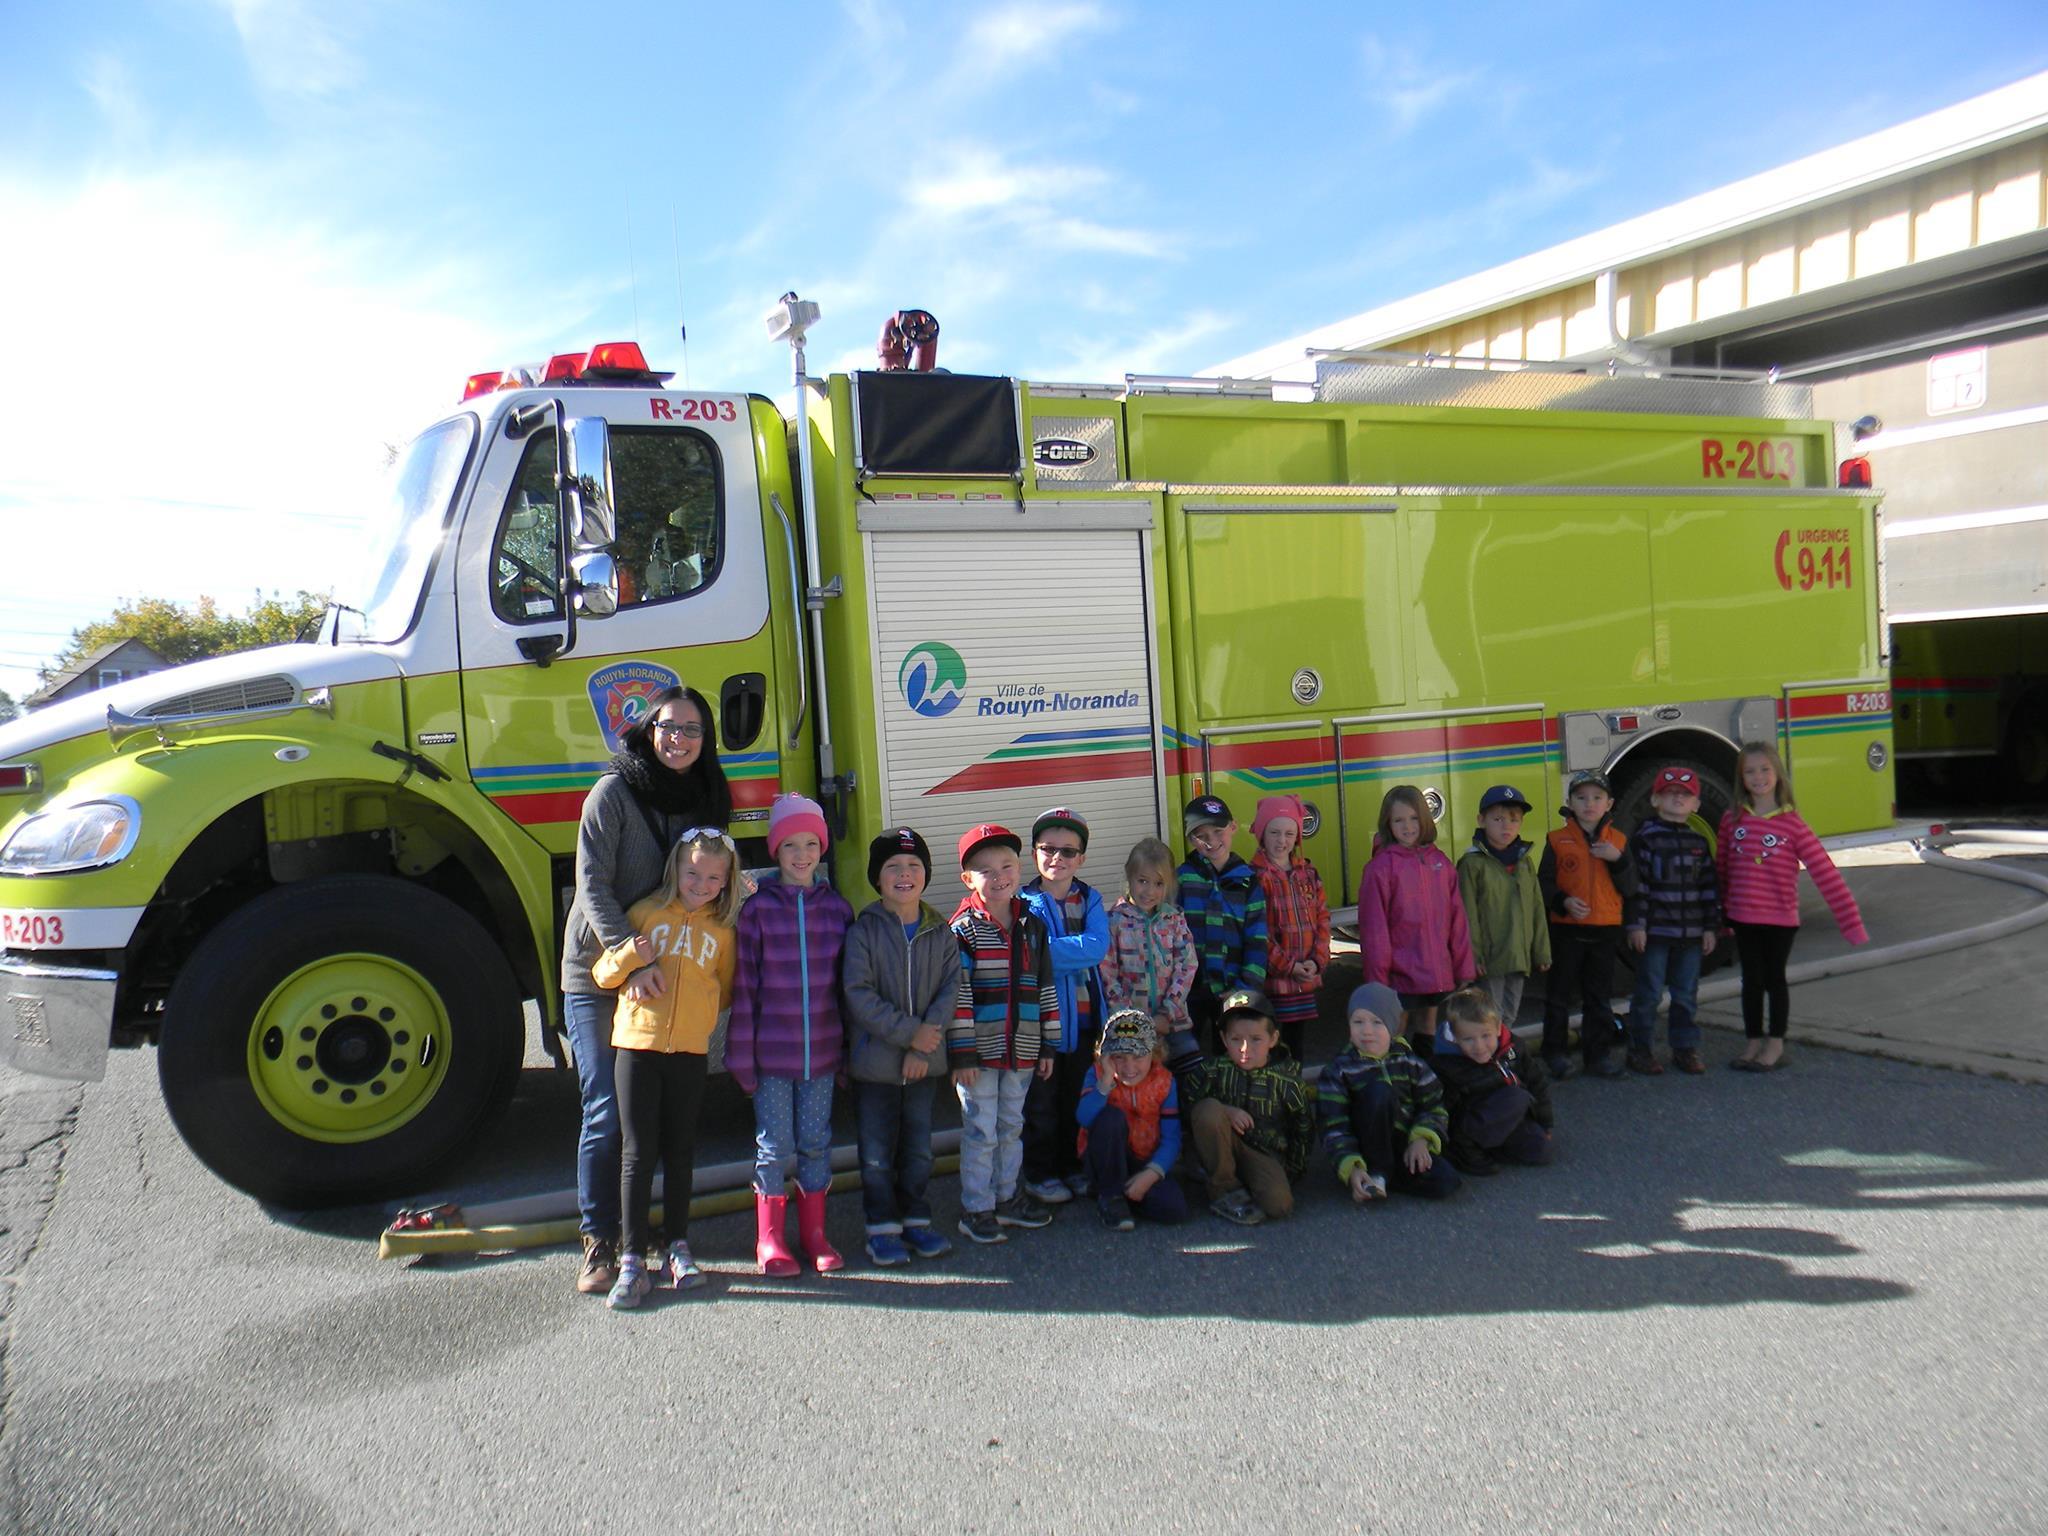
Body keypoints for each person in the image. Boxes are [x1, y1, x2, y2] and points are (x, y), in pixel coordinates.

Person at [559, 684, 731, 1296]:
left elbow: (714, 882)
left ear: (705, 740)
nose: (679, 739)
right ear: (647, 729)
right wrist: (627, 961)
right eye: (669, 727)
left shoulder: (709, 797)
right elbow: (591, 885)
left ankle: (655, 1235)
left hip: (665, 977)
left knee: (662, 1120)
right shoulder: (613, 792)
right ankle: (599, 1239)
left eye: (692, 730)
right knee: (607, 1108)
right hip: (599, 971)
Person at [590, 828, 742, 1308]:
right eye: (692, 871)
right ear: (675, 867)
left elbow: (727, 987)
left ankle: (677, 1246)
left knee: (680, 1150)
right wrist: (633, 958)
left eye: (712, 877)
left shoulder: (722, 932)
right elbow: (601, 974)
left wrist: (696, 1016)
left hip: (690, 1053)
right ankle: (632, 1258)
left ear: (725, 881)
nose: (700, 883)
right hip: (637, 1048)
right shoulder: (643, 915)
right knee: (638, 1152)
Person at [728, 793, 855, 1275]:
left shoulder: (837, 911)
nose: (802, 855)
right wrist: (742, 1057)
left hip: (821, 1055)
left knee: (816, 1143)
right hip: (771, 1059)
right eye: (790, 846)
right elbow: (744, 990)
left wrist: (845, 1053)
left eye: (810, 844)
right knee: (774, 1146)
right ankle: (771, 1240)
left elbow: (846, 992)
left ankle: (816, 1235)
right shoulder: (757, 913)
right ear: (775, 852)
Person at [1717, 741, 1869, 1072]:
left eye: (1765, 770)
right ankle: (1752, 1042)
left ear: (1778, 775)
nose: (1758, 777)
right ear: (1741, 778)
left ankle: (1775, 1044)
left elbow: (1825, 874)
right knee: (1751, 981)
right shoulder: (1732, 821)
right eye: (1750, 771)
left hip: (1780, 919)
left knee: (1774, 979)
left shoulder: (1793, 825)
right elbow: (1723, 870)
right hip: (1743, 916)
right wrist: (1722, 915)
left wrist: (1851, 923)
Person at [842, 827, 956, 1266]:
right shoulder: (864, 931)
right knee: (875, 1154)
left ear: (925, 875)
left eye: (913, 866)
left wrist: (923, 1044)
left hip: (923, 1064)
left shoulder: (940, 930)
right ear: (877, 877)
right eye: (893, 867)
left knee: (918, 1149)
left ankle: (916, 1221)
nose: (904, 874)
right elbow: (859, 994)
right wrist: (911, 1033)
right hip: (876, 1066)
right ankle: (882, 1229)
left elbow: (949, 990)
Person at [949, 824, 1061, 1245]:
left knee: (1012, 1124)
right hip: (979, 1055)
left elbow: (1044, 987)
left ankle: (1007, 1198)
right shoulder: (962, 930)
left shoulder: (1032, 925)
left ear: (1020, 868)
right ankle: (975, 1208)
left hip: (1025, 1048)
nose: (999, 877)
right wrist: (961, 1055)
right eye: (986, 870)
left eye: (1007, 866)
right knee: (981, 1129)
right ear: (967, 880)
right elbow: (957, 997)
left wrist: (1049, 1042)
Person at [1019, 807, 1110, 1206]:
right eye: (1048, 848)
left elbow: (1097, 947)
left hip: (1086, 1020)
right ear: (1035, 853)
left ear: (1082, 858)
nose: (1058, 858)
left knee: (1077, 1098)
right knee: (1041, 1105)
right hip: (1041, 1028)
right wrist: (1052, 954)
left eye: (1068, 852)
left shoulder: (1090, 898)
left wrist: (1043, 954)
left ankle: (1072, 1167)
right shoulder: (1022, 902)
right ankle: (1039, 1173)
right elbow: (1021, 953)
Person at [1315, 982, 1460, 1203]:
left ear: (1392, 1027)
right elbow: (1333, 1125)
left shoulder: (1411, 1062)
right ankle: (1372, 1174)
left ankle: (1388, 1177)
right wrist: (1351, 1166)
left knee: (1447, 1181)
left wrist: (1421, 1140)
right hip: (1362, 1149)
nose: (1367, 1031)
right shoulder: (1339, 1069)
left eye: (1377, 1022)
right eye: (1358, 1022)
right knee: (1380, 1091)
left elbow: (1433, 1105)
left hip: (1402, 1142)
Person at [1182, 990, 1316, 1226]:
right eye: (1236, 1040)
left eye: (1256, 1039)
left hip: (1264, 1153)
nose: (1245, 1048)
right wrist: (1226, 1111)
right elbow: (1187, 1106)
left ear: (1273, 1039)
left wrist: (1292, 1171)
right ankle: (1223, 1188)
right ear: (1223, 1039)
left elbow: (1302, 1126)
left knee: (1279, 1205)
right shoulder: (1210, 1071)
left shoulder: (1287, 1081)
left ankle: (1245, 1181)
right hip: (1221, 1144)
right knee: (1208, 1110)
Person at [1358, 784, 1476, 1051]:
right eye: (1399, 820)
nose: (1407, 826)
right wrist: (1378, 981)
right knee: (1395, 1028)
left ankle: (1425, 1081)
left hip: (1437, 970)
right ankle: (1397, 1080)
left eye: (1413, 818)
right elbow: (1374, 931)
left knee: (1428, 1027)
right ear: (1387, 823)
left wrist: (1463, 967)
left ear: (1424, 820)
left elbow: (1457, 920)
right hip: (1400, 974)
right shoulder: (1380, 868)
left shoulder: (1441, 863)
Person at [1537, 770, 1635, 1079]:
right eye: (1581, 798)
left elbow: (1632, 887)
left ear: (1609, 804)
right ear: (1569, 802)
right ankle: (1555, 1053)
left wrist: (1616, 860)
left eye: (1596, 798)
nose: (1589, 804)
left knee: (1599, 997)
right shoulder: (1556, 840)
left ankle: (1598, 1056)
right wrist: (1563, 901)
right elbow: (1544, 884)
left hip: (1605, 929)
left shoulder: (1618, 841)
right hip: (1567, 929)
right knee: (1559, 995)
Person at [1624, 766, 1720, 1075]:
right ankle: (1640, 1049)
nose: (1677, 798)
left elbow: (1708, 888)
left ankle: (1685, 1048)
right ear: (1655, 800)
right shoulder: (1645, 839)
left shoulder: (1699, 843)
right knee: (1649, 993)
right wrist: (1636, 925)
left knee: (1685, 994)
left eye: (1685, 794)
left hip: (1691, 934)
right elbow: (1639, 888)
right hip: (1654, 932)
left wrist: (1710, 927)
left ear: (1696, 805)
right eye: (1669, 793)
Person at [1074, 1009, 1188, 1230]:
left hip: (1144, 1159)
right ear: (1105, 1056)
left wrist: (1151, 1174)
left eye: (1138, 1057)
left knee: (1175, 1209)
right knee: (1110, 1118)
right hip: (1107, 1158)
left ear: (1153, 1052)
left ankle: (1124, 1194)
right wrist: (1105, 1083)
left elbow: (1171, 1138)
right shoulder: (1098, 1075)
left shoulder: (1164, 1081)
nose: (1129, 1068)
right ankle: (1111, 1194)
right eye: (1119, 1058)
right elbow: (1083, 1117)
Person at [1100, 837, 1200, 1083]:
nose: (1149, 891)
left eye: (1158, 883)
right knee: (1139, 1085)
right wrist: (1131, 1019)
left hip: (1173, 1024)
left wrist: (1168, 1013)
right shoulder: (1114, 921)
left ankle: (1185, 1120)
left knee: (1192, 1079)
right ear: (1129, 878)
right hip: (1130, 1030)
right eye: (1142, 881)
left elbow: (1187, 966)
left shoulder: (1174, 920)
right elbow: (1107, 974)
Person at [1177, 794, 1268, 1055]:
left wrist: (1244, 988)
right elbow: (1169, 937)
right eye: (1200, 835)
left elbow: (1257, 941)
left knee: (1231, 1059)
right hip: (1189, 994)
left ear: (1233, 827)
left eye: (1218, 831)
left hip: (1233, 990)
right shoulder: (1182, 879)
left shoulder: (1248, 881)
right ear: (1190, 839)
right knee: (1186, 1059)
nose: (1212, 841)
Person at [1455, 784, 1551, 1029]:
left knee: (1509, 1016)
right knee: (1488, 1017)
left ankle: (1502, 1059)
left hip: (1518, 957)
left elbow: (1537, 908)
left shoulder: (1524, 862)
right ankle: (1489, 1062)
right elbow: (1467, 913)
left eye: (1514, 819)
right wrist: (1473, 956)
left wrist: (1541, 951)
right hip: (1490, 960)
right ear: (1481, 820)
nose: (1506, 826)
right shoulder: (1472, 864)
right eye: (1497, 819)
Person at [1431, 986, 1554, 1177]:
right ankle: (1464, 1151)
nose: (1479, 1046)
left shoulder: (1514, 1048)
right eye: (1468, 1039)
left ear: (1498, 1028)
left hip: (1507, 1117)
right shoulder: (1446, 1064)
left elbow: (1537, 1082)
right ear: (1455, 1038)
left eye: (1485, 1036)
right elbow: (1441, 1107)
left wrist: (1545, 1123)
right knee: (1517, 1097)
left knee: (1540, 1150)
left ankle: (1493, 1145)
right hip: (1470, 1123)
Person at [1250, 793, 1331, 1063]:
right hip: (1275, 982)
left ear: (1297, 836)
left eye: (1288, 833)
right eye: (1274, 832)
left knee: (1297, 1043)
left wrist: (1317, 962)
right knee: (1271, 1044)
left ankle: (1293, 1090)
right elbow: (1258, 933)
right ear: (1261, 833)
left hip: (1304, 979)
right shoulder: (1256, 879)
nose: (1281, 841)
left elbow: (1322, 920)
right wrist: (1288, 966)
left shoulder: (1308, 875)